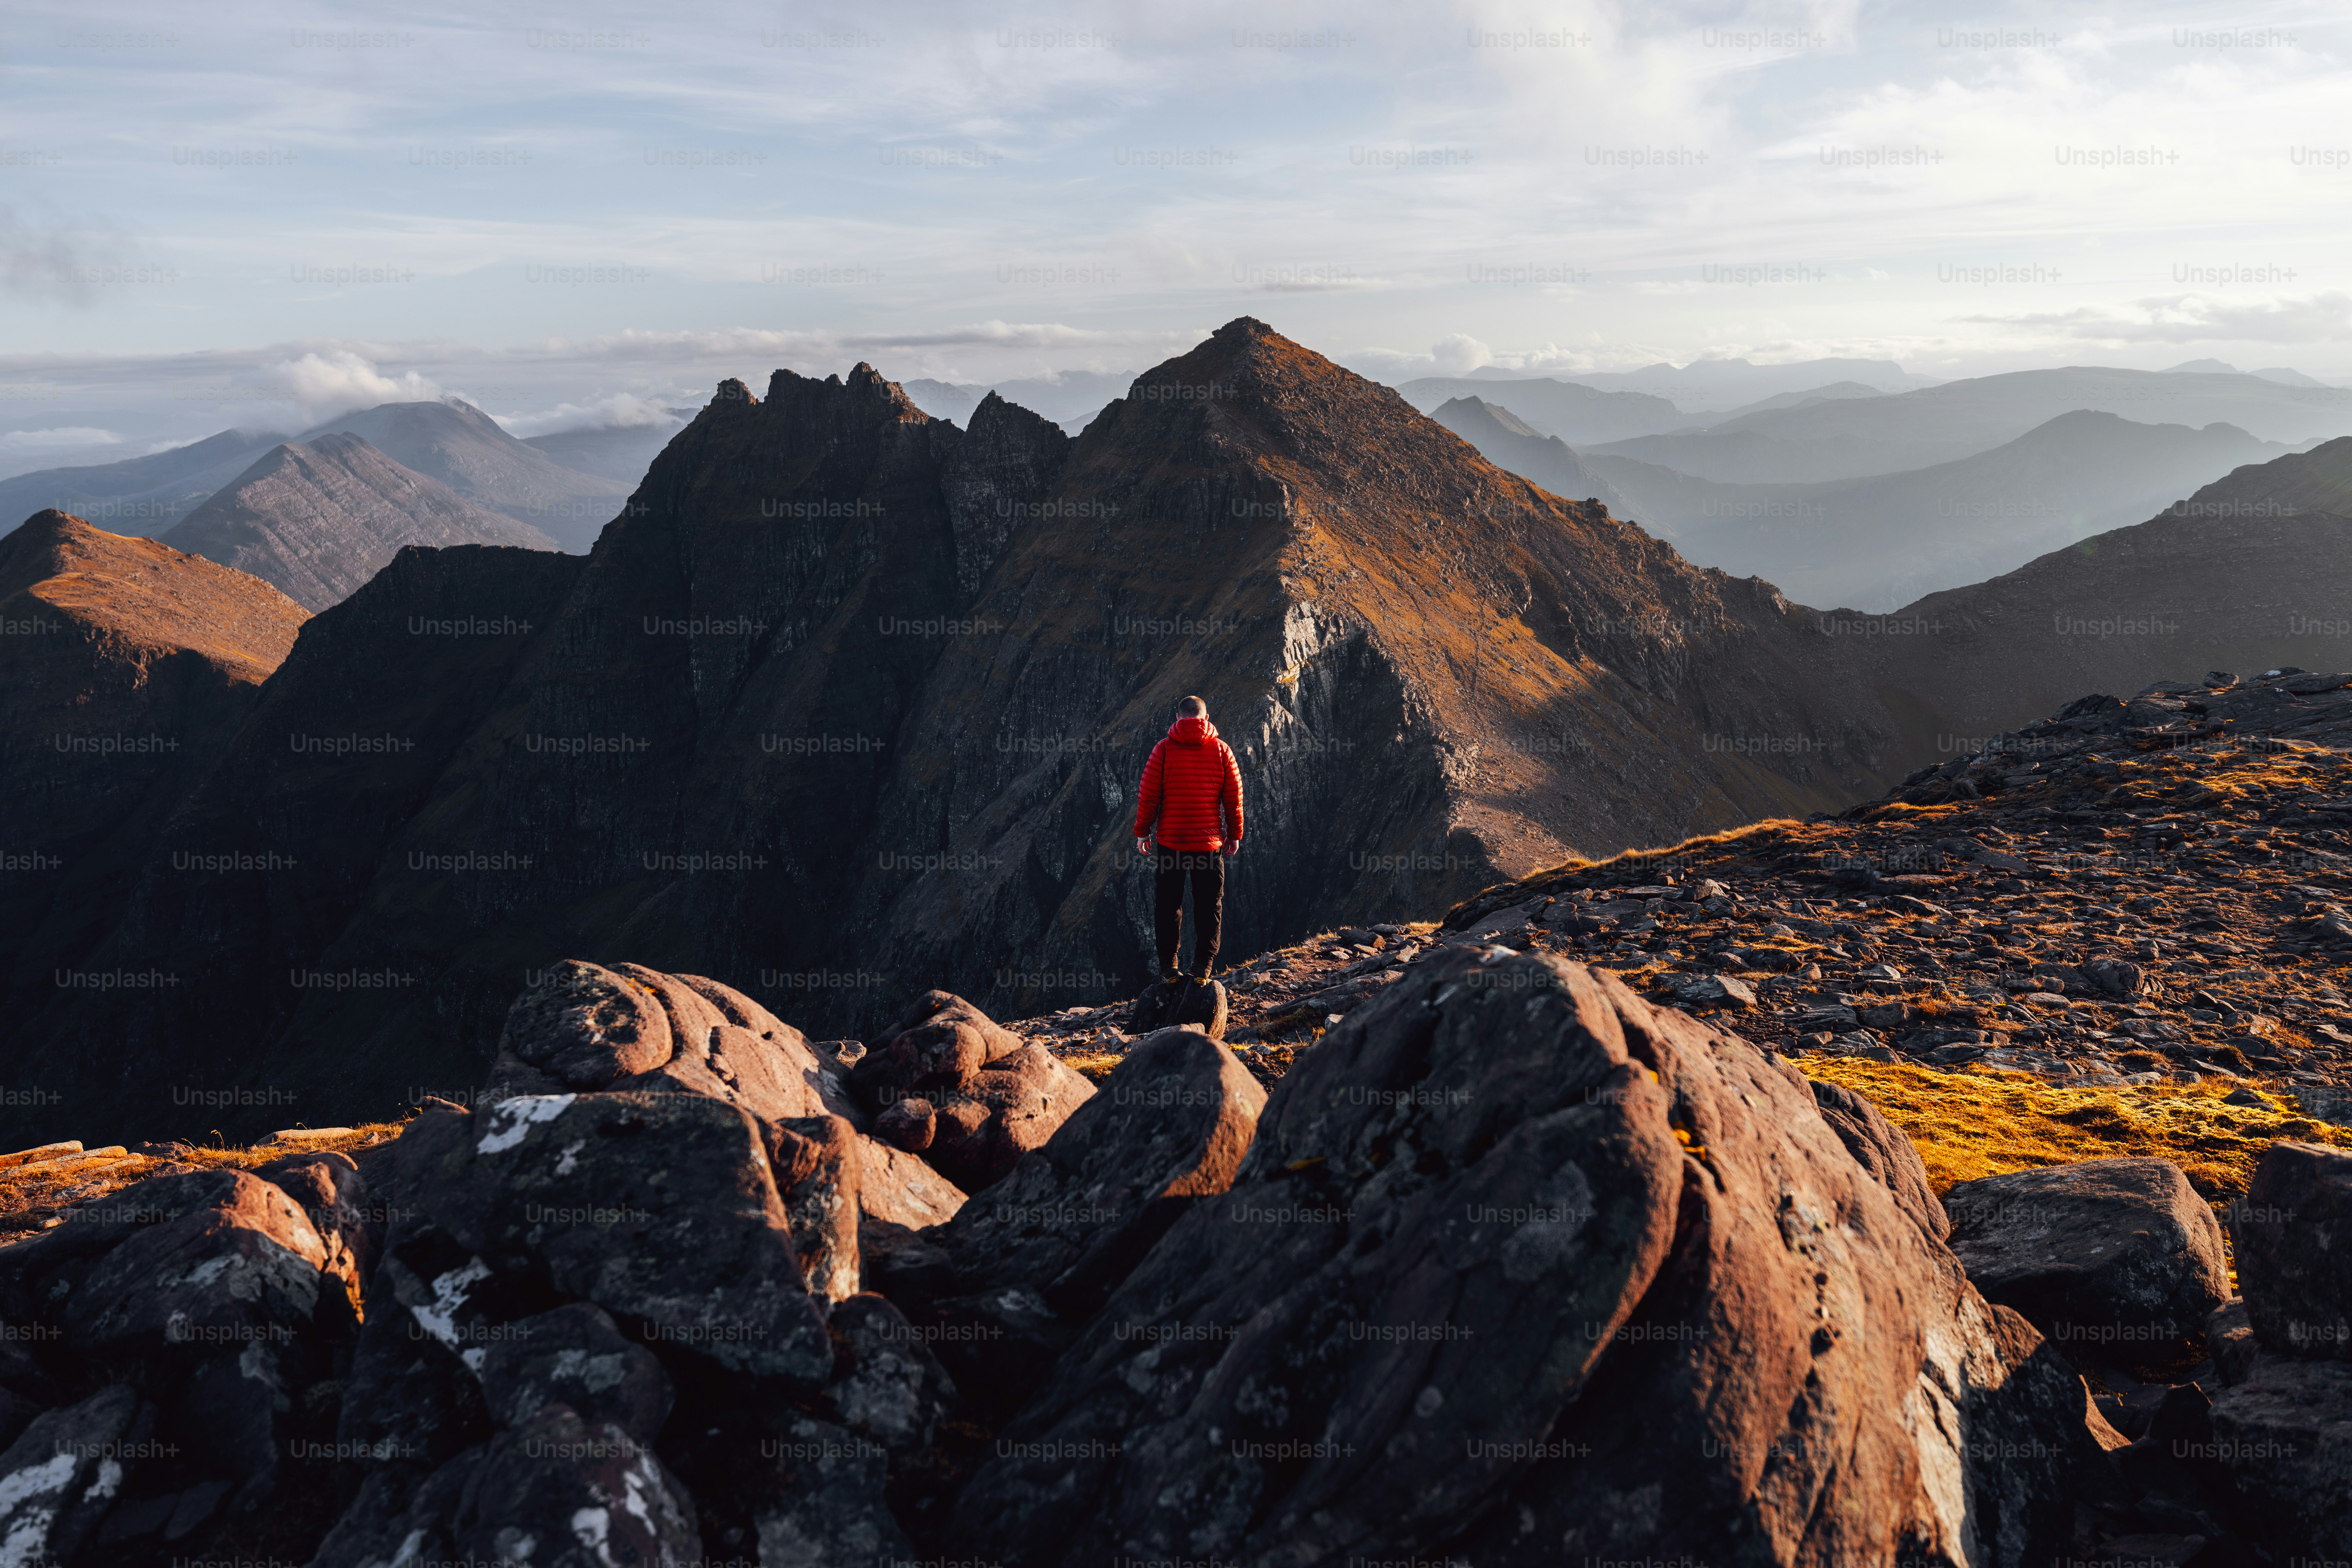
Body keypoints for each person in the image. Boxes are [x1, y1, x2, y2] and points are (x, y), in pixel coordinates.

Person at [1131, 695, 1243, 982]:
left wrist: (1143, 831)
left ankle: (1170, 967)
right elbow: (1233, 798)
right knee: (1209, 903)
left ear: (1178, 717)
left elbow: (1148, 796)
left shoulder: (1164, 750)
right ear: (1205, 718)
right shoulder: (1222, 751)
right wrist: (1234, 834)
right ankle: (1203, 968)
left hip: (1171, 843)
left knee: (1169, 904)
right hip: (1209, 845)